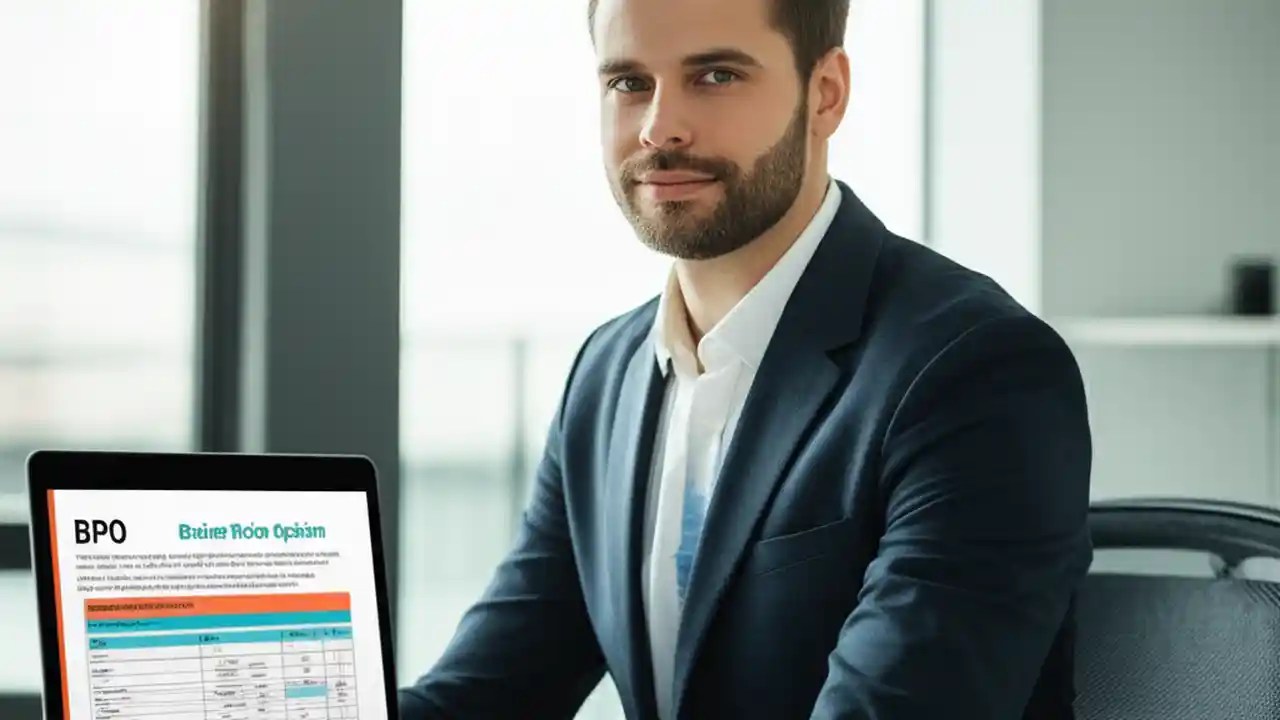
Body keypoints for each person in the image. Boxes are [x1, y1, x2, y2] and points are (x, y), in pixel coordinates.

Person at [399, 0, 1092, 717]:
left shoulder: (974, 369)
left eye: (717, 75)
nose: (659, 127)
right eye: (629, 82)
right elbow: (486, 695)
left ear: (826, 94)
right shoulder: (607, 374)